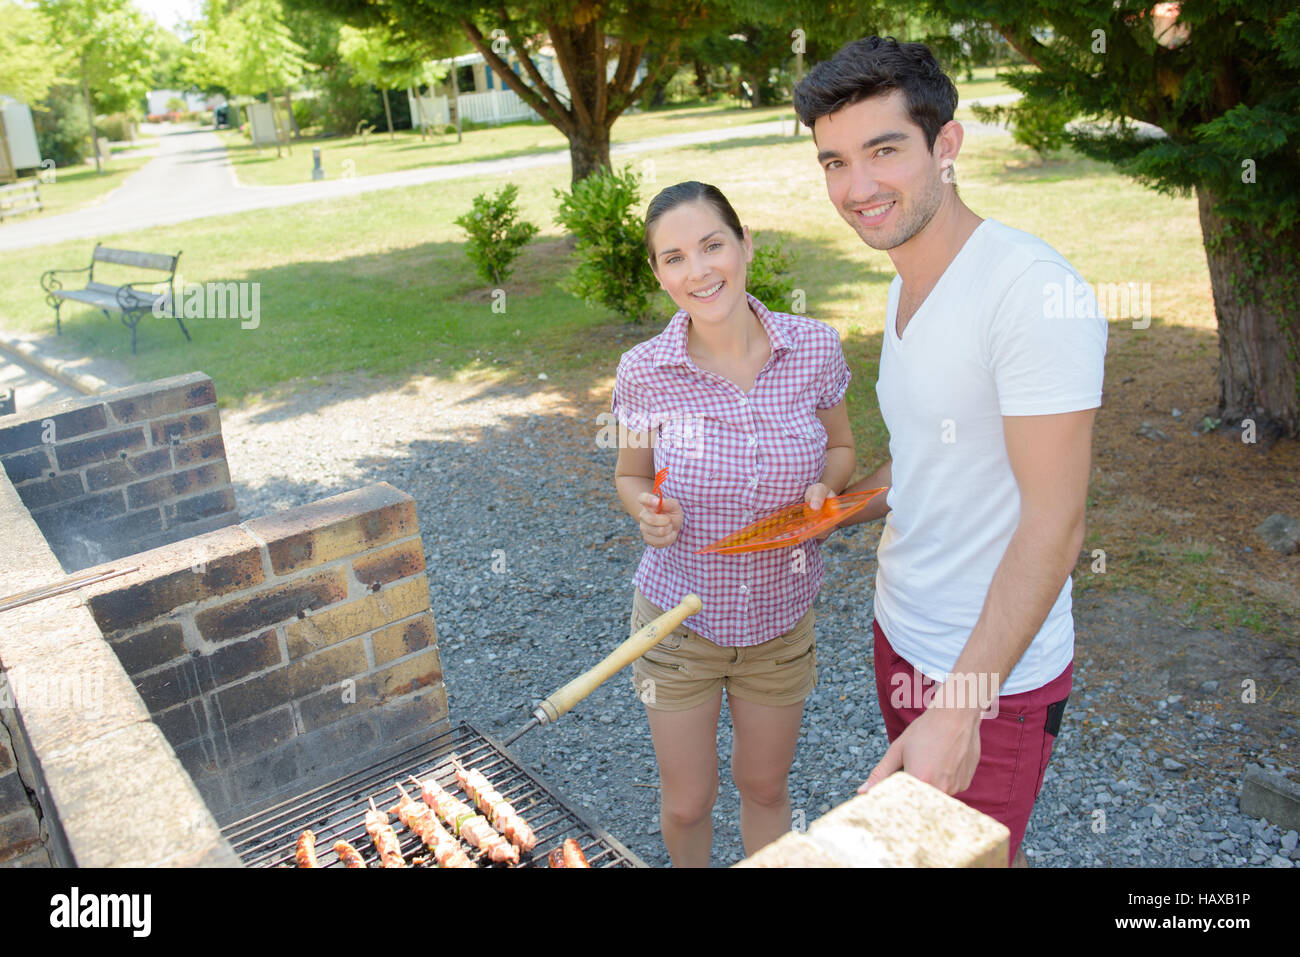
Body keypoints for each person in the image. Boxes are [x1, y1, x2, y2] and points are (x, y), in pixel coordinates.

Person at [792, 37, 1107, 867]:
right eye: (834, 162)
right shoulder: (906, 278)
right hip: (901, 630)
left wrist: (961, 707)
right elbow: (927, 458)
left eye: (884, 151)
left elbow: (1054, 524)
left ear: (948, 144)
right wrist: (832, 511)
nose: (856, 189)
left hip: (990, 677)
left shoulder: (1033, 295)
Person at [610, 181, 855, 867]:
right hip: (677, 622)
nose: (699, 270)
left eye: (712, 244)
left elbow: (841, 448)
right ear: (658, 273)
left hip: (780, 620)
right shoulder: (643, 371)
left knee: (765, 785)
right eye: (675, 257)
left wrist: (825, 491)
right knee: (688, 800)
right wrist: (646, 512)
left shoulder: (812, 347)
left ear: (744, 245)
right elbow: (630, 475)